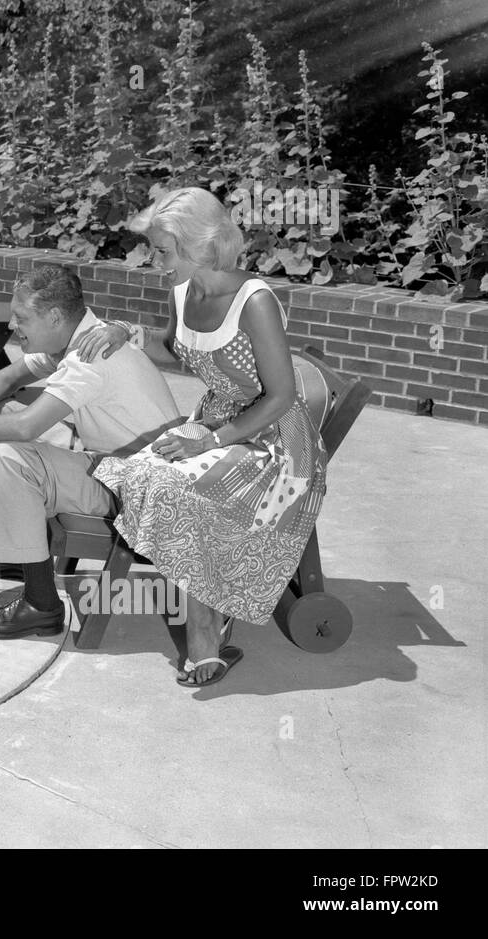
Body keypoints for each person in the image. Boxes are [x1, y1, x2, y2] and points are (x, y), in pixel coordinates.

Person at [79, 187, 327, 687]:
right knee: (141, 470)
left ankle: (205, 633)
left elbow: (280, 396)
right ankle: (214, 597)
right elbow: (178, 351)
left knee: (176, 489)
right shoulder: (183, 292)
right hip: (217, 424)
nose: (155, 262)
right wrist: (126, 332)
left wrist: (208, 443)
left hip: (275, 444)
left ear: (200, 245)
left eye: (162, 251)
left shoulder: (254, 301)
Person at [0, 265, 181, 639]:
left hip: (139, 489)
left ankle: (41, 605)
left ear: (53, 317)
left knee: (11, 453)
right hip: (117, 465)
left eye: (21, 319)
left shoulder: (90, 358)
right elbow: (4, 378)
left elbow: (27, 428)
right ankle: (20, 554)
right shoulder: (76, 337)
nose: (12, 327)